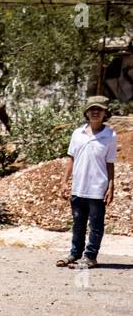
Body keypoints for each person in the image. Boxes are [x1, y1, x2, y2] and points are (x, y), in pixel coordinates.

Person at [57, 95, 118, 270]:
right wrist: (64, 182)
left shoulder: (110, 136)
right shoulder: (78, 133)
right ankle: (75, 253)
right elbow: (71, 159)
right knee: (78, 223)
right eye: (92, 109)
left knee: (96, 225)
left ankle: (90, 256)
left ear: (106, 113)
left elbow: (110, 163)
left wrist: (111, 186)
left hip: (98, 188)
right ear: (87, 112)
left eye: (99, 109)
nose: (95, 112)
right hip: (78, 187)